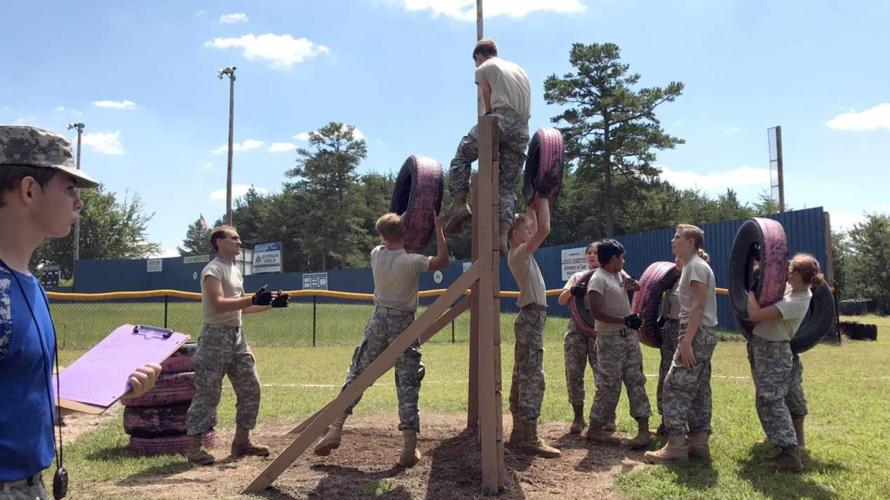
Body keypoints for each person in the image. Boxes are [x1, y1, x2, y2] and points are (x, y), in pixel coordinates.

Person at [0, 125, 161, 499]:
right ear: (28, 189)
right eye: (70, 189)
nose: (79, 202)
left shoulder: (28, 283)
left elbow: (20, 397)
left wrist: (107, 384)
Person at [314, 212, 448, 467]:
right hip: (404, 324)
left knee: (358, 372)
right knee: (407, 382)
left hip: (378, 321)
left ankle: (336, 427)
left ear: (382, 237)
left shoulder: (376, 254)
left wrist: (402, 220)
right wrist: (438, 227)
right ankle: (409, 447)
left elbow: (392, 234)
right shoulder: (412, 261)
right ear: (404, 234)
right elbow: (442, 261)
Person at [185, 225, 289, 466]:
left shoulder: (235, 270)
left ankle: (242, 442)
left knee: (251, 388)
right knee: (209, 393)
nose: (239, 242)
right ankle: (194, 449)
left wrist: (272, 304)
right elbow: (220, 303)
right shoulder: (213, 270)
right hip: (214, 338)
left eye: (239, 238)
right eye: (234, 238)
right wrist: (253, 298)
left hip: (237, 337)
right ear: (219, 242)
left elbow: (244, 308)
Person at [444, 37, 531, 255]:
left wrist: (488, 119)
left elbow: (487, 96)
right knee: (507, 184)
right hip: (522, 128)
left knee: (462, 156)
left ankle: (459, 205)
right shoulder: (519, 69)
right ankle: (503, 235)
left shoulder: (484, 67)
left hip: (499, 120)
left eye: (476, 62)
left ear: (479, 56)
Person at [645, 225, 718, 464]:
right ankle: (698, 445)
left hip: (694, 332)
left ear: (690, 242)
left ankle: (676, 446)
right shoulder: (691, 266)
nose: (673, 240)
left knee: (674, 385)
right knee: (698, 389)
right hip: (702, 332)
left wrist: (687, 341)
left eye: (677, 237)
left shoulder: (696, 266)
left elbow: (697, 305)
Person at [744, 253, 823, 472]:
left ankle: (789, 453)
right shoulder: (791, 290)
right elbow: (771, 289)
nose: (787, 273)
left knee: (770, 399)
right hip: (763, 346)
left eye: (791, 270)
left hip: (774, 350)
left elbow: (756, 314)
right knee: (766, 397)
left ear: (798, 275)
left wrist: (749, 289)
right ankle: (782, 443)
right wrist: (762, 268)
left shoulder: (798, 300)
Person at [579, 239, 651, 449]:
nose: (624, 260)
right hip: (610, 339)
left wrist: (625, 274)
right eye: (621, 257)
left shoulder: (619, 274)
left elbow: (636, 286)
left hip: (628, 337)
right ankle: (595, 429)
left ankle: (643, 430)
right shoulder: (598, 280)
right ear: (612, 259)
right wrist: (624, 320)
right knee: (609, 385)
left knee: (636, 380)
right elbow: (595, 312)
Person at [506, 188, 560, 458]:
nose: (531, 232)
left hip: (531, 316)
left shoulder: (520, 254)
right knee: (531, 377)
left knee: (522, 374)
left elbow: (536, 225)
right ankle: (529, 437)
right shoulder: (517, 254)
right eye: (526, 230)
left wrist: (532, 201)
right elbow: (545, 229)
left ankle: (519, 433)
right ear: (515, 236)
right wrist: (545, 197)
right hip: (530, 317)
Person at [558, 242, 616, 434]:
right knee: (574, 374)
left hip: (600, 332)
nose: (592, 255)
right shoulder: (577, 277)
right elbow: (561, 300)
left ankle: (608, 417)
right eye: (589, 253)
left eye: (596, 252)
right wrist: (573, 290)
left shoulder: (611, 276)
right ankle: (578, 418)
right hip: (576, 332)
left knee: (604, 374)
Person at [654, 249, 708, 436]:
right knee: (665, 373)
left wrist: (688, 339)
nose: (676, 260)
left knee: (682, 379)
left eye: (680, 257)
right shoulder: (674, 281)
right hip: (670, 327)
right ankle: (665, 420)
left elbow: (697, 307)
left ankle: (684, 428)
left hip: (685, 330)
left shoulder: (695, 278)